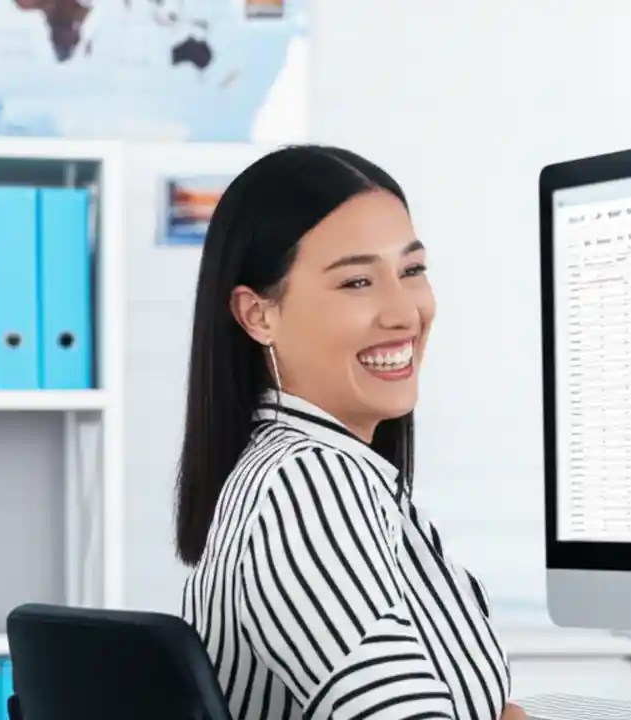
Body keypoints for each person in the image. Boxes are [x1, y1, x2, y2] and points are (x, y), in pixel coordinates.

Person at [174, 145, 527, 720]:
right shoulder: (305, 486)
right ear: (258, 314)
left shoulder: (311, 473)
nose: (404, 313)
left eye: (411, 271)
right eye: (358, 282)